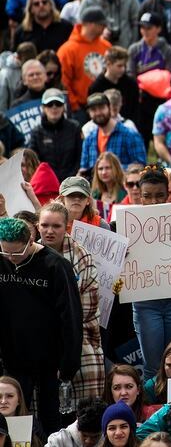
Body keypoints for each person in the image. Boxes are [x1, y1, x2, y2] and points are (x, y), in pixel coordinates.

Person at [0, 216, 82, 434]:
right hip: (12, 356)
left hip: (50, 358)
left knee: (50, 415)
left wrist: (68, 363)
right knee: (13, 416)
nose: (11, 258)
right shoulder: (2, 260)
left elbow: (71, 317)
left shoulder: (56, 265)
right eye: (5, 252)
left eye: (16, 253)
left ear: (30, 241)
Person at [38, 202, 104, 407]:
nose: (49, 231)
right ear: (37, 226)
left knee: (89, 370)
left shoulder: (81, 256)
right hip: (40, 335)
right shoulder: (29, 254)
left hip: (79, 333)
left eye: (56, 226)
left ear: (66, 227)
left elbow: (88, 307)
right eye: (45, 225)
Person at [57, 9, 113, 111]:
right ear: (91, 24)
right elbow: (63, 81)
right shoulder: (67, 50)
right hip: (81, 107)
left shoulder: (106, 46)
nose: (105, 27)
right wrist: (74, 105)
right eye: (102, 24)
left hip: (106, 105)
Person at [28, 88, 82, 181]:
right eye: (49, 104)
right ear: (43, 108)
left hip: (72, 181)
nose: (54, 107)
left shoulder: (74, 128)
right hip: (46, 182)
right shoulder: (36, 132)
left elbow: (80, 156)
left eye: (58, 104)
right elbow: (33, 161)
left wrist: (73, 178)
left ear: (63, 107)